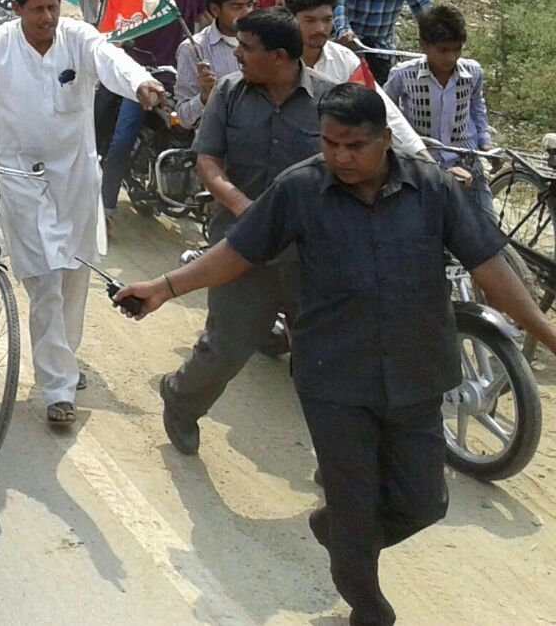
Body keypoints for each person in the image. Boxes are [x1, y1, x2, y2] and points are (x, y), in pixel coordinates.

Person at [113, 82, 556, 626]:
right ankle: (366, 605)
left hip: (416, 372)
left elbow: (490, 268)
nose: (341, 157)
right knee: (355, 504)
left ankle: (341, 533)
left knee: (425, 503)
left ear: (386, 141)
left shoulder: (433, 189)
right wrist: (164, 287)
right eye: (330, 144)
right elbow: (238, 253)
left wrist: (547, 334)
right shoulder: (299, 190)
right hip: (334, 377)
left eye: (355, 146)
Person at [0, 0, 165, 425]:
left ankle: (62, 359)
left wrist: (140, 83)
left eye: (53, 6)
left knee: (75, 274)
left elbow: (112, 60)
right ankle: (58, 389)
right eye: (36, 8)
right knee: (45, 280)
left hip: (75, 177)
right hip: (21, 180)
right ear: (18, 8)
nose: (47, 16)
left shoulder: (78, 38)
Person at [157, 7, 334, 455]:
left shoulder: (330, 102)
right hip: (240, 250)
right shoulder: (230, 94)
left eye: (246, 48)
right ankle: (180, 399)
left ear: (279, 57)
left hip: (311, 257)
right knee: (225, 349)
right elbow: (208, 161)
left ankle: (337, 456)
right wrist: (241, 205)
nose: (236, 55)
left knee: (323, 360)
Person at [100, 0, 207, 217]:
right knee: (122, 140)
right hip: (142, 78)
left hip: (181, 78)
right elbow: (119, 28)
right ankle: (105, 207)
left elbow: (208, 23)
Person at [284, 0, 427, 161]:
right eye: (310, 20)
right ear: (291, 19)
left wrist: (422, 157)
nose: (320, 28)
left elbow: (382, 111)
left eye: (327, 20)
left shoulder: (345, 60)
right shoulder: (274, 60)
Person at [384, 4, 493, 212]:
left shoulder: (473, 73)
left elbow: (477, 107)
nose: (451, 58)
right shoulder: (403, 75)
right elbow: (387, 114)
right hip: (423, 165)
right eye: (443, 50)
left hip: (467, 161)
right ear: (423, 46)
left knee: (486, 228)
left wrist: (485, 142)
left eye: (456, 50)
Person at [173, 0, 254, 130]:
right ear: (215, 9)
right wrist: (204, 98)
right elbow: (182, 118)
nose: (246, 14)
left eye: (250, 5)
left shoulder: (266, 41)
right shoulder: (193, 49)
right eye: (236, 7)